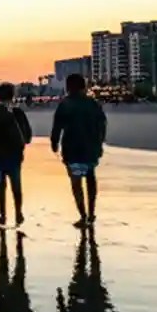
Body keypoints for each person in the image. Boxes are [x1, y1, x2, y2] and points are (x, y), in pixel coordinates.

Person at [50, 74, 107, 227]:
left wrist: (54, 143)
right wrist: (100, 143)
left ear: (68, 87)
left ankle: (83, 215)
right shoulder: (93, 104)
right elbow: (102, 125)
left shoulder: (65, 104)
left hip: (72, 149)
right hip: (90, 148)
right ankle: (91, 212)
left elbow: (57, 127)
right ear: (84, 87)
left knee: (76, 183)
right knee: (90, 178)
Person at [0, 82, 31, 226]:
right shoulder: (18, 111)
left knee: (1, 186)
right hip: (15, 154)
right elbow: (27, 134)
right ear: (13, 95)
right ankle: (19, 213)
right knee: (16, 184)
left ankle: (2, 214)